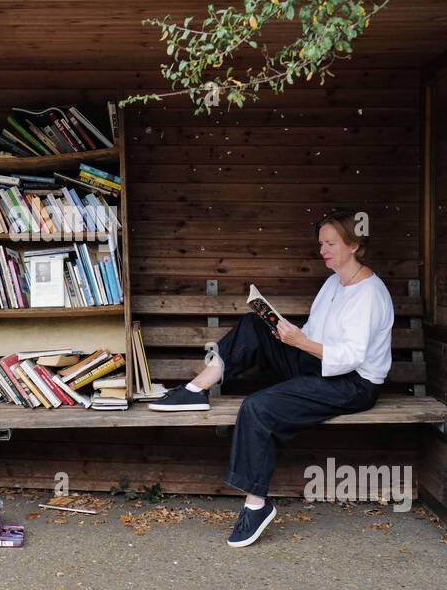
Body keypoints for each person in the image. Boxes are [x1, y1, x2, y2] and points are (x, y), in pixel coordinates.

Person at [148, 209, 394, 547]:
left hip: (352, 383)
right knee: (256, 324)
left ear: (353, 245)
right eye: (320, 243)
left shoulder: (369, 293)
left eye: (331, 243)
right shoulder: (334, 281)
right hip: (319, 363)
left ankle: (256, 505)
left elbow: (351, 357)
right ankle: (196, 388)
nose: (323, 249)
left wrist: (300, 342)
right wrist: (285, 333)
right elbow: (316, 335)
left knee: (258, 407)